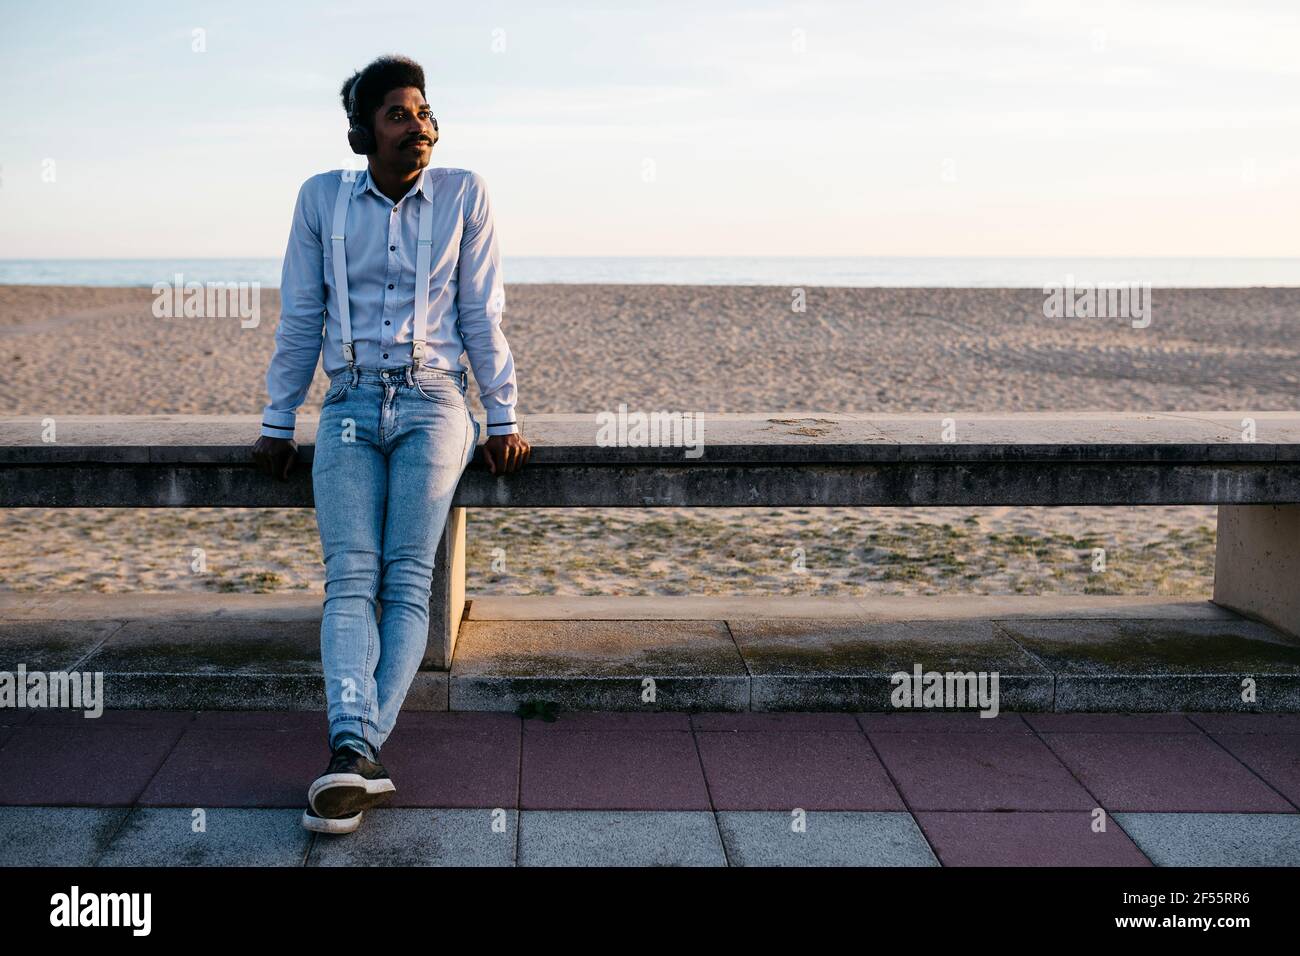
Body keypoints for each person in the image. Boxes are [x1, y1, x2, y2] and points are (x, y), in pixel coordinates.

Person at [252, 54, 530, 833]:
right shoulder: (320, 201)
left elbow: (482, 312)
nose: (419, 126)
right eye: (398, 115)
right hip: (344, 404)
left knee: (406, 579)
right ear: (360, 134)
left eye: (424, 111)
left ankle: (351, 751)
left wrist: (502, 415)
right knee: (350, 578)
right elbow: (301, 317)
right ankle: (357, 756)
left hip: (435, 402)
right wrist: (279, 419)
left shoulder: (464, 195)